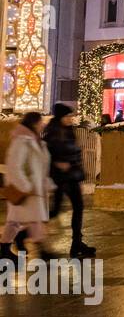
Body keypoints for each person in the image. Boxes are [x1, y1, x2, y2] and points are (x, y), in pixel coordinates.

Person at [45, 103, 94, 258]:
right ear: (61, 117)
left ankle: (77, 244)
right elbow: (46, 154)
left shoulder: (68, 131)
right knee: (54, 211)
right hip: (60, 178)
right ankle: (22, 235)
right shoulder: (53, 133)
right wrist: (57, 163)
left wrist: (78, 172)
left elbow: (73, 153)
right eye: (68, 116)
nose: (71, 119)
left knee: (76, 208)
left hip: (71, 177)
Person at [2, 112, 51, 262]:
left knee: (15, 221)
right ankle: (43, 252)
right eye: (40, 122)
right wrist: (26, 186)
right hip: (25, 189)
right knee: (33, 219)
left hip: (33, 188)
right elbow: (15, 166)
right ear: (33, 123)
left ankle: (4, 250)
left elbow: (40, 165)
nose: (42, 124)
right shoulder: (22, 141)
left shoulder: (34, 140)